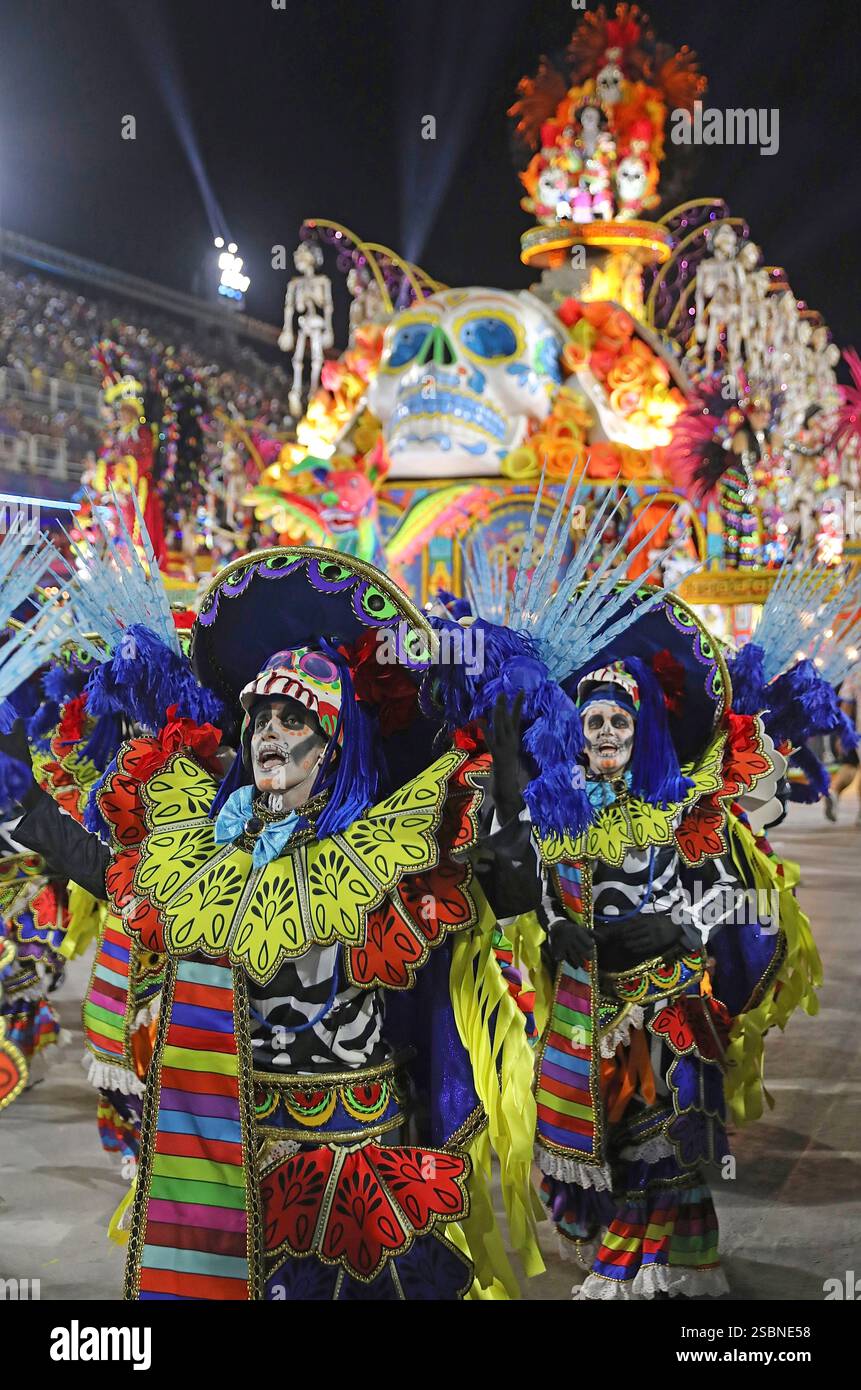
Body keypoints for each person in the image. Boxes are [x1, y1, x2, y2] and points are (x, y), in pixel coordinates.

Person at [0, 545, 545, 1301]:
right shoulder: (203, 844)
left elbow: (502, 894)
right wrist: (24, 807)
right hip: (231, 1137)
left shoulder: (390, 846)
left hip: (350, 1137)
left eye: (294, 718)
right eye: (260, 714)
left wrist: (514, 794)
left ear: (334, 744)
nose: (268, 732)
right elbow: (125, 883)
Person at [824, 662, 861, 824]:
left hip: (857, 731)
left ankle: (833, 792)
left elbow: (846, 704)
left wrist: (843, 734)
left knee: (850, 765)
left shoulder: (855, 671)